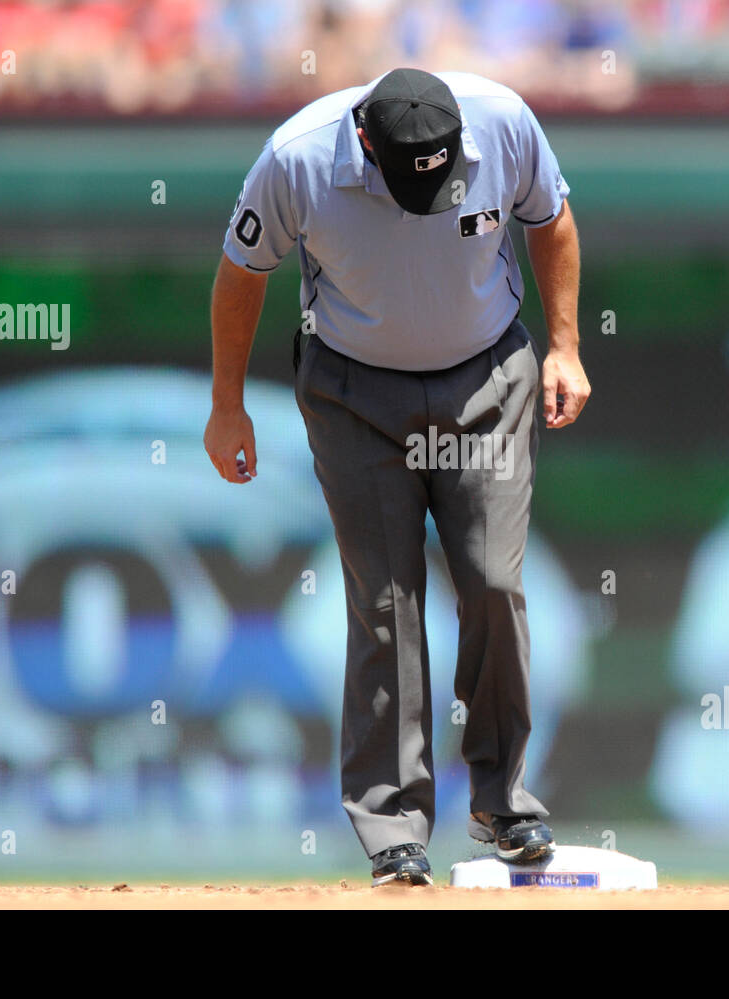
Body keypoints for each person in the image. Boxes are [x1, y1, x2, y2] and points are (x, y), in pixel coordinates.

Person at [204, 67, 590, 886]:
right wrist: (226, 406)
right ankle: (393, 830)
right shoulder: (297, 158)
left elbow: (552, 220)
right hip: (355, 392)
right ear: (366, 145)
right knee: (384, 601)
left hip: (486, 379)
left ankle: (504, 799)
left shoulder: (506, 121)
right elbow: (242, 273)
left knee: (492, 583)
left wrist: (565, 345)